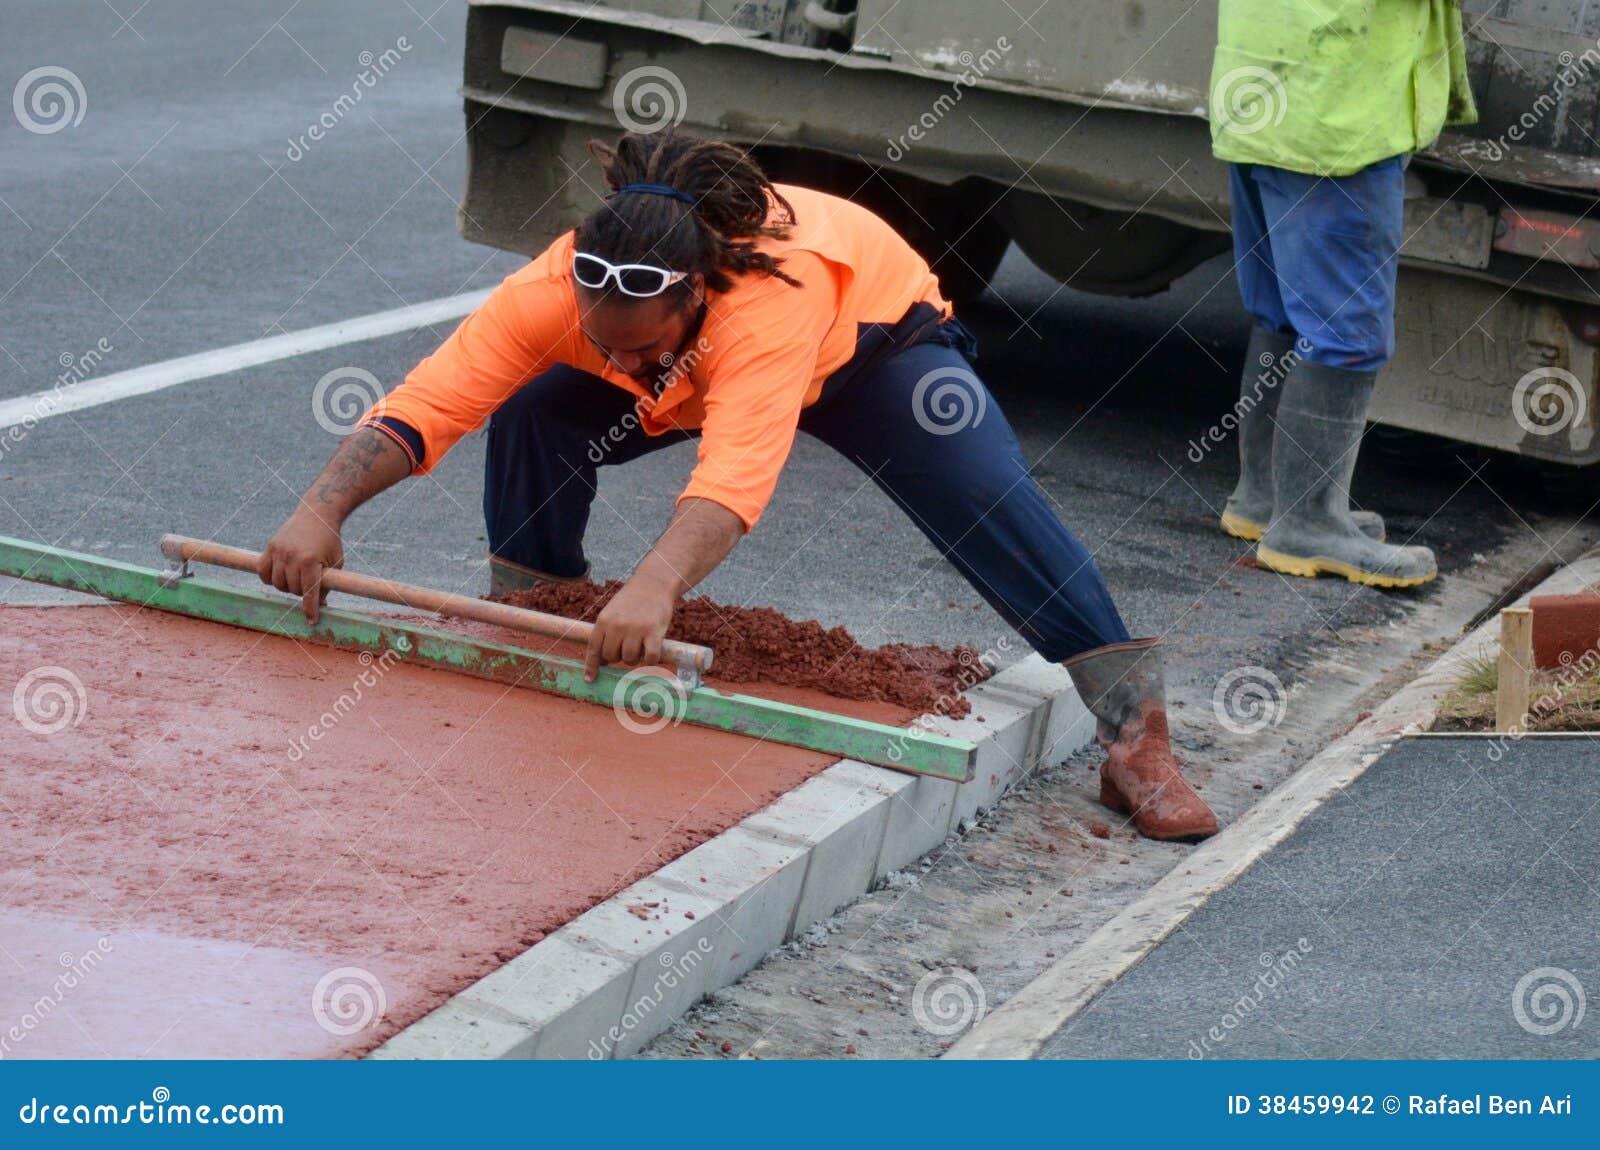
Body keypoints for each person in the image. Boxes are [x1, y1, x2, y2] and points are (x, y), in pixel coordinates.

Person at [257, 130, 1217, 842]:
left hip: (874, 350)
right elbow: (431, 403)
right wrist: (319, 511)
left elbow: (736, 478)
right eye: (598, 336)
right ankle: (536, 619)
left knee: (989, 496)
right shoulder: (561, 294)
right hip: (706, 366)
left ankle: (1138, 732)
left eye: (636, 344)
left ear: (692, 294)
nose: (611, 356)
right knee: (538, 412)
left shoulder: (762, 311)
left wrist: (654, 589)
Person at [1211, 0, 1476, 587]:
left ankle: (1266, 497)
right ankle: (1307, 524)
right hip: (1338, 112)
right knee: (1346, 332)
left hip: (1270, 89)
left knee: (1281, 310)